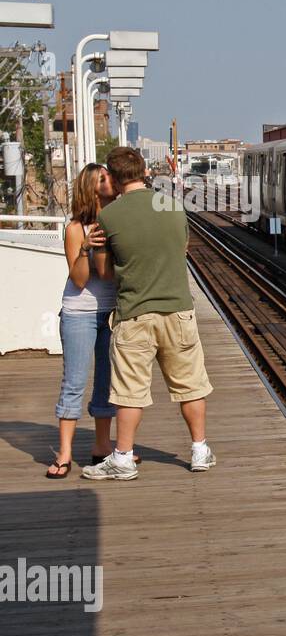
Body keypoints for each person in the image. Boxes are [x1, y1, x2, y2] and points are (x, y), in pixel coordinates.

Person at [81, 147, 215, 480]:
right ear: (143, 171)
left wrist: (93, 247)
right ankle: (199, 450)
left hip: (134, 314)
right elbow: (182, 250)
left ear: (111, 177)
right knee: (191, 385)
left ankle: (123, 458)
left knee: (129, 390)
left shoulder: (109, 217)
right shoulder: (172, 206)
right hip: (178, 310)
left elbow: (106, 273)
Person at [46, 165, 122, 478]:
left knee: (106, 382)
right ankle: (64, 453)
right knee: (75, 381)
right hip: (79, 312)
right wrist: (85, 249)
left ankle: (102, 447)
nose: (110, 182)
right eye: (103, 179)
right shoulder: (75, 227)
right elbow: (78, 281)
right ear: (90, 188)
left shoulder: (118, 221)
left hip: (111, 311)